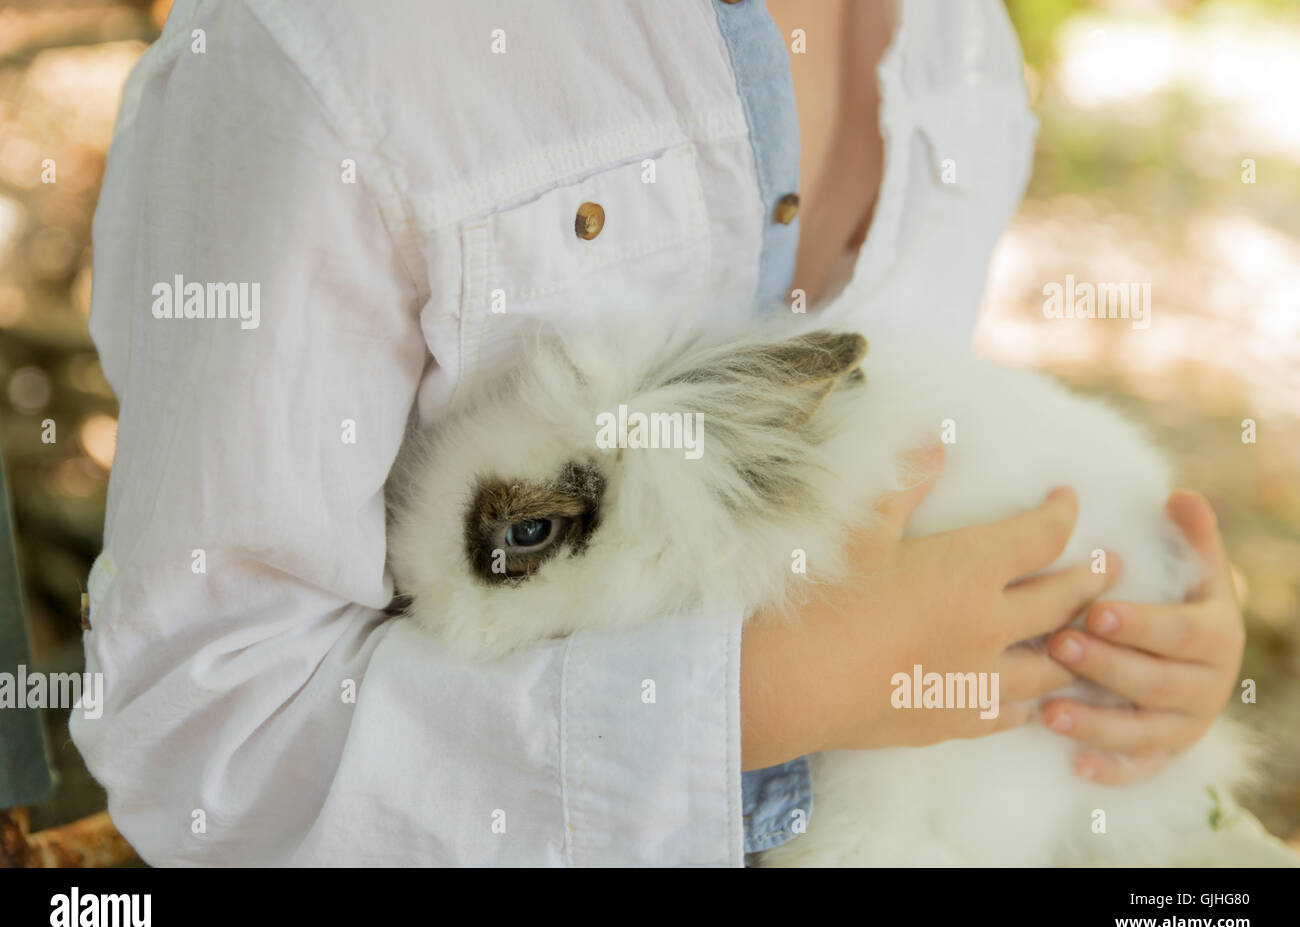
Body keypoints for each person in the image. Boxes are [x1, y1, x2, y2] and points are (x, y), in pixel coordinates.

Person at [72, 0, 1250, 865]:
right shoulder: (327, 51)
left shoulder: (963, 48)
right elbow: (212, 738)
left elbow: (920, 438)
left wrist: (1122, 637)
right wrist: (756, 698)